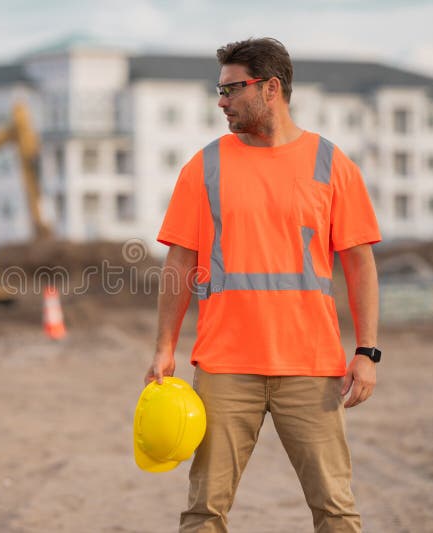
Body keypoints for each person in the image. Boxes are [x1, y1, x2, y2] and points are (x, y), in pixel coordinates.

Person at [146, 37, 381, 533]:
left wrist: (367, 351)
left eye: (232, 89)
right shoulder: (204, 166)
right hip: (225, 366)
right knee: (204, 510)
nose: (221, 101)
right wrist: (165, 346)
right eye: (220, 89)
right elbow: (180, 263)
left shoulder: (331, 164)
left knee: (336, 510)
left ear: (271, 88)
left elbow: (360, 264)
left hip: (311, 366)